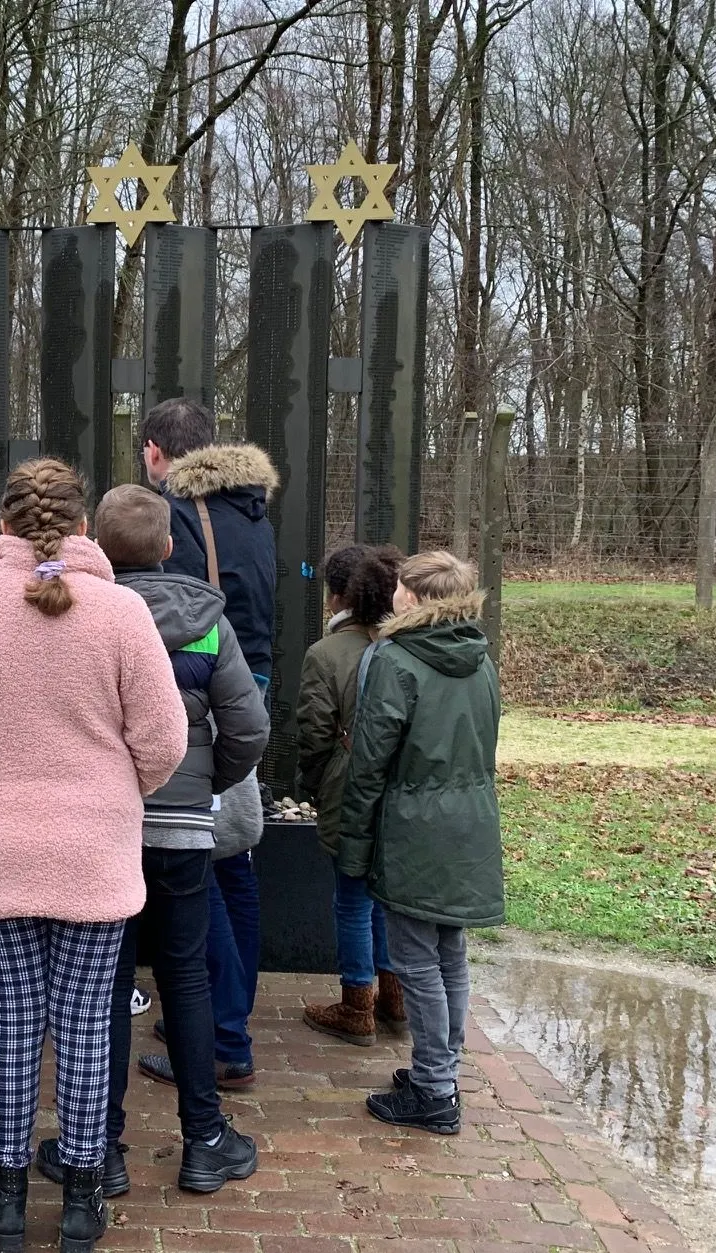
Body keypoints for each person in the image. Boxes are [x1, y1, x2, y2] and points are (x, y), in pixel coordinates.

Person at [0, 458, 187, 1253]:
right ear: (82, 525)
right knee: (86, 1025)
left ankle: (6, 1198)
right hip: (97, 852)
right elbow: (165, 739)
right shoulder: (122, 612)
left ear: (1, 524)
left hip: (2, 846)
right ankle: (81, 1198)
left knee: (13, 1023)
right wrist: (114, 789)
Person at [31, 485, 267, 1199]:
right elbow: (248, 725)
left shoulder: (79, 611)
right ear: (168, 546)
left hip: (105, 829)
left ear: (96, 544)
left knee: (105, 985)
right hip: (184, 830)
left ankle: (100, 1146)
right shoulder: (208, 621)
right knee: (186, 977)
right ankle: (205, 1141)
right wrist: (204, 783)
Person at [334, 551, 503, 1135]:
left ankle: (434, 1090)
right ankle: (441, 1073)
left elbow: (369, 763)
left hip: (412, 829)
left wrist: (354, 843)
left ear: (412, 596)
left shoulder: (395, 659)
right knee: (449, 953)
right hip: (470, 824)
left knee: (416, 961)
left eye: (401, 587)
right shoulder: (480, 658)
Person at [138, 397, 278, 1091]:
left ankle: (223, 1037)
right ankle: (227, 1012)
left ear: (155, 452)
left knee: (201, 855)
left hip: (203, 687)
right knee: (234, 858)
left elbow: (177, 615)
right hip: (250, 681)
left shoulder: (181, 515)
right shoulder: (250, 509)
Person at [298, 544, 406, 1045]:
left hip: (348, 784)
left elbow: (315, 733)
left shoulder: (326, 654)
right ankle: (395, 999)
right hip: (401, 789)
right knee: (386, 897)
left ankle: (356, 1005)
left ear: (340, 596)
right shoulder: (404, 649)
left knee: (352, 899)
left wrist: (314, 784)